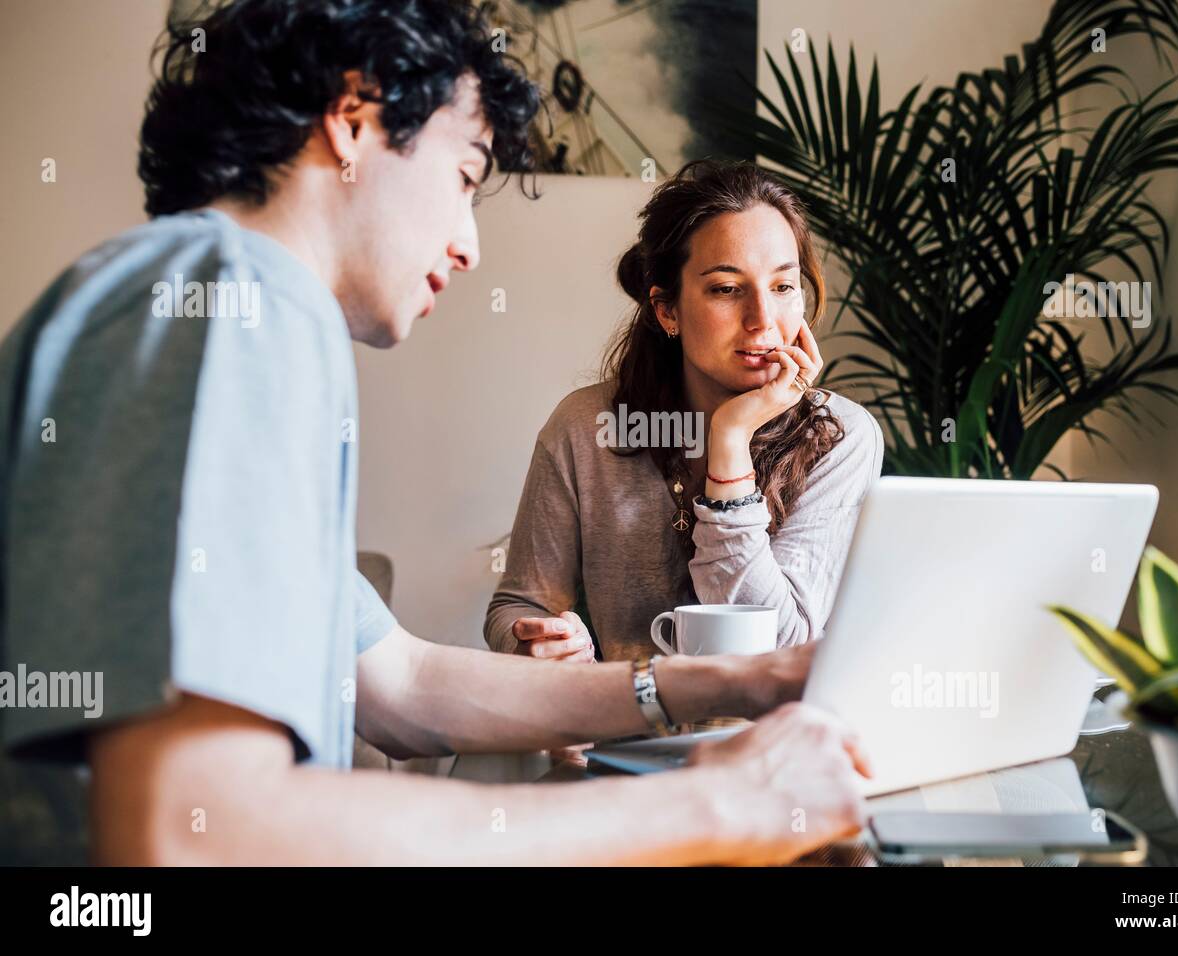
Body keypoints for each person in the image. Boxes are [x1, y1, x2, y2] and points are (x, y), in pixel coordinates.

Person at [0, 0, 869, 865]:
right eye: (465, 176)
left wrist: (733, 678)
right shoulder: (235, 299)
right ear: (352, 118)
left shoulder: (194, 296)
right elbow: (196, 834)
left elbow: (400, 684)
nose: (469, 245)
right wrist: (725, 802)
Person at [485, 160, 884, 664]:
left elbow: (772, 650)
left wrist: (731, 439)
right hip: (622, 733)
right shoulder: (587, 428)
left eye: (783, 286)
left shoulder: (841, 436)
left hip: (772, 738)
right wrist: (538, 640)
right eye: (726, 288)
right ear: (667, 309)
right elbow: (518, 605)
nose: (763, 321)